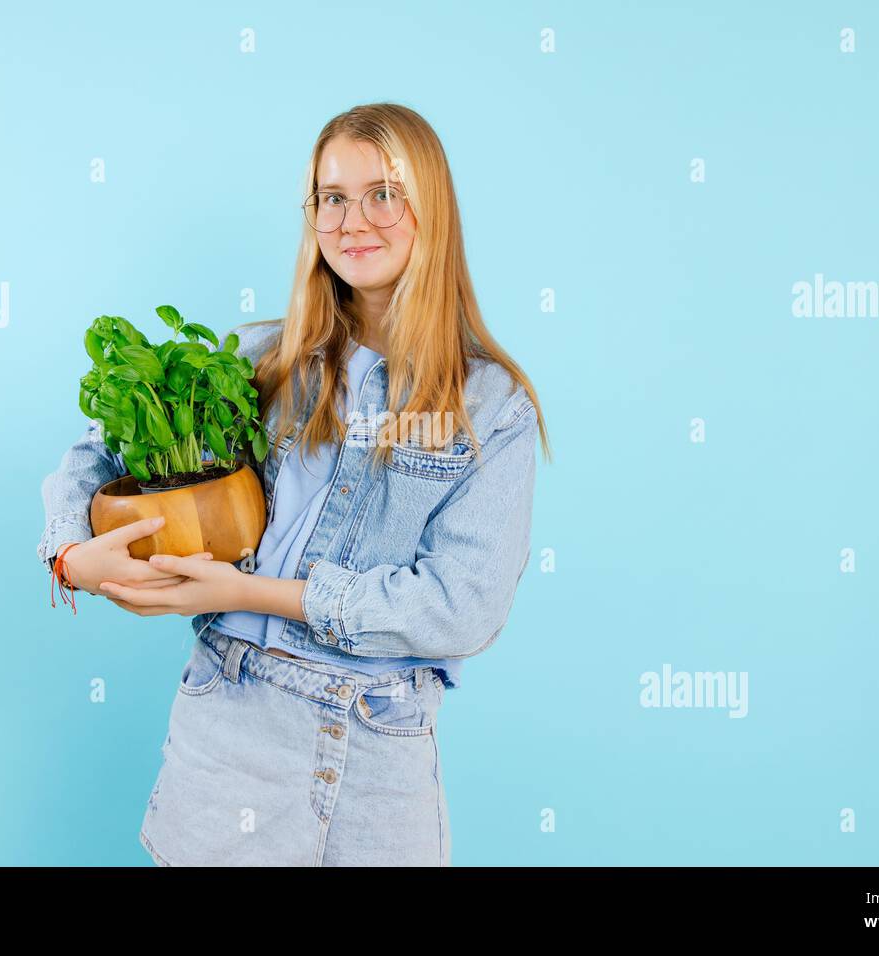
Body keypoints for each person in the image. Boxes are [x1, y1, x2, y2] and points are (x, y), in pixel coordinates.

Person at [37, 102, 552, 866]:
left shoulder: (490, 406)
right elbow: (97, 452)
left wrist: (250, 594)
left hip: (378, 749)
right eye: (331, 197)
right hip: (229, 728)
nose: (353, 221)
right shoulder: (257, 362)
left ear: (431, 207)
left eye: (383, 193)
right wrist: (71, 559)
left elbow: (459, 608)